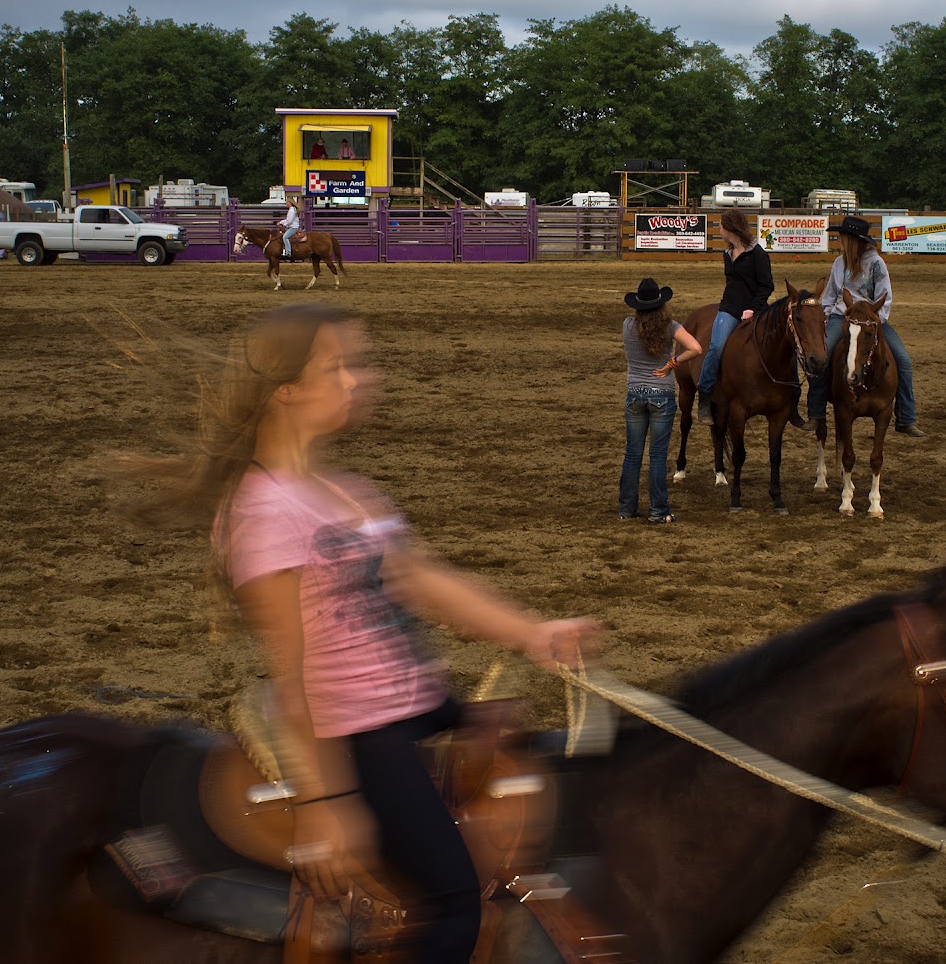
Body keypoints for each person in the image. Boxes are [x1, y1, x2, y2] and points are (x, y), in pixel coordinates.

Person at [124, 306, 596, 961]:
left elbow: (425, 579)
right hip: (359, 728)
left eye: (359, 363)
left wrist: (532, 632)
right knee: (455, 905)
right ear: (286, 388)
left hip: (419, 700)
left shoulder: (342, 489)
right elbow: (291, 674)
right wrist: (326, 802)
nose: (360, 379)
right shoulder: (264, 511)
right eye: (339, 366)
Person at [804, 215, 924, 437]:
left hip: (871, 320)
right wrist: (828, 316)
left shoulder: (877, 264)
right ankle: (816, 412)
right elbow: (830, 296)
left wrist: (877, 320)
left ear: (851, 240)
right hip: (843, 317)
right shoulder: (839, 264)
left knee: (903, 360)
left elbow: (884, 297)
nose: (839, 240)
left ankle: (906, 417)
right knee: (822, 356)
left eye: (842, 237)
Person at [620, 277, 701, 524]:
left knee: (633, 453)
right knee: (657, 454)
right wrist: (671, 364)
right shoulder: (671, 327)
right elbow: (696, 348)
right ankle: (658, 510)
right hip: (661, 395)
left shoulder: (627, 325)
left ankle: (627, 508)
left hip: (635, 392)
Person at [695, 208, 786, 423]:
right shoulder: (727, 254)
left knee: (781, 345)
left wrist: (754, 308)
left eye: (721, 226)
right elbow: (733, 286)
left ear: (730, 228)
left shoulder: (758, 254)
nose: (719, 229)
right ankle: (705, 397)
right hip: (729, 308)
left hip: (755, 309)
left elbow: (767, 285)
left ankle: (792, 397)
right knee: (716, 347)